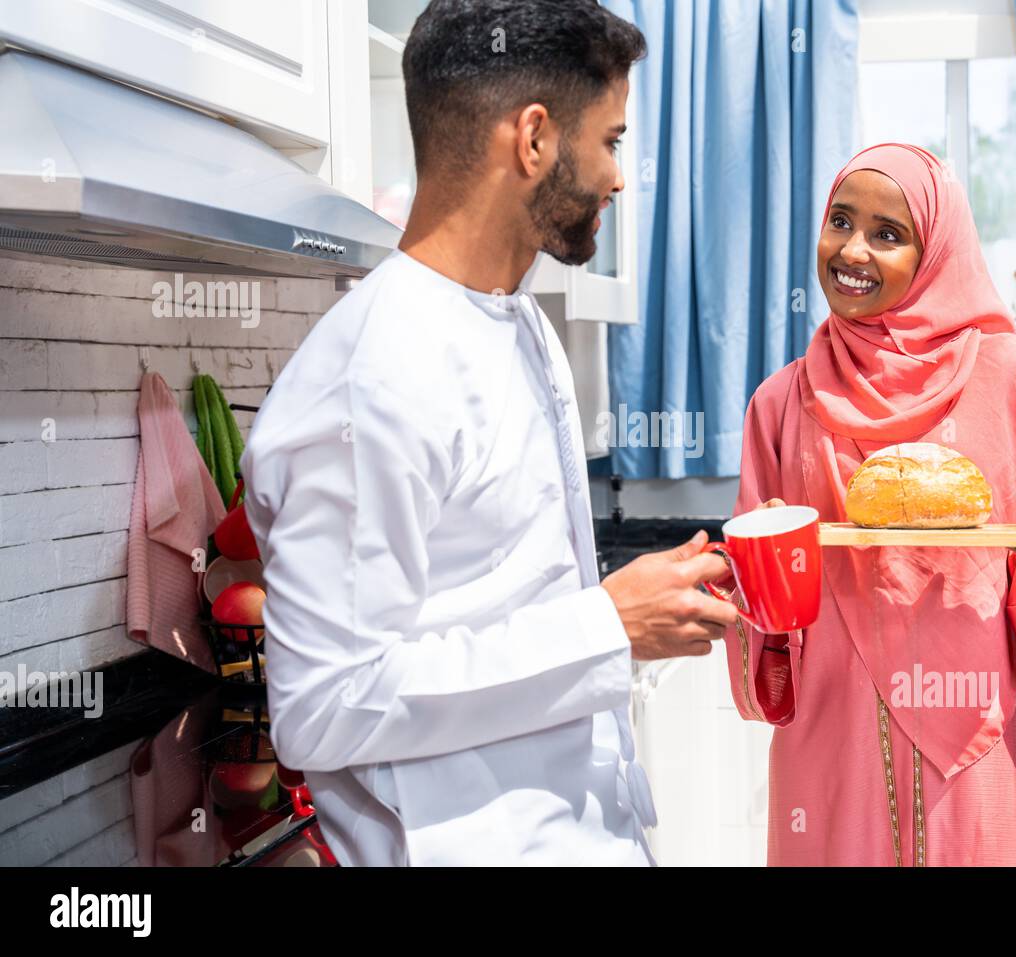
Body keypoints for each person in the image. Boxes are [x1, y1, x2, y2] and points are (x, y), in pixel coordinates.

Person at [240, 0, 734, 866]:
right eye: (611, 140)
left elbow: (500, 600)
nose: (619, 178)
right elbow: (324, 703)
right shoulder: (371, 377)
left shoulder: (519, 322)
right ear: (534, 139)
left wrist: (626, 610)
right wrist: (608, 626)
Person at [720, 143, 1016, 866]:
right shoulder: (780, 403)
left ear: (937, 254)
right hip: (830, 743)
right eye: (840, 221)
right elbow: (760, 610)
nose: (852, 250)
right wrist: (751, 579)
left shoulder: (1011, 381)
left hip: (972, 741)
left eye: (888, 234)